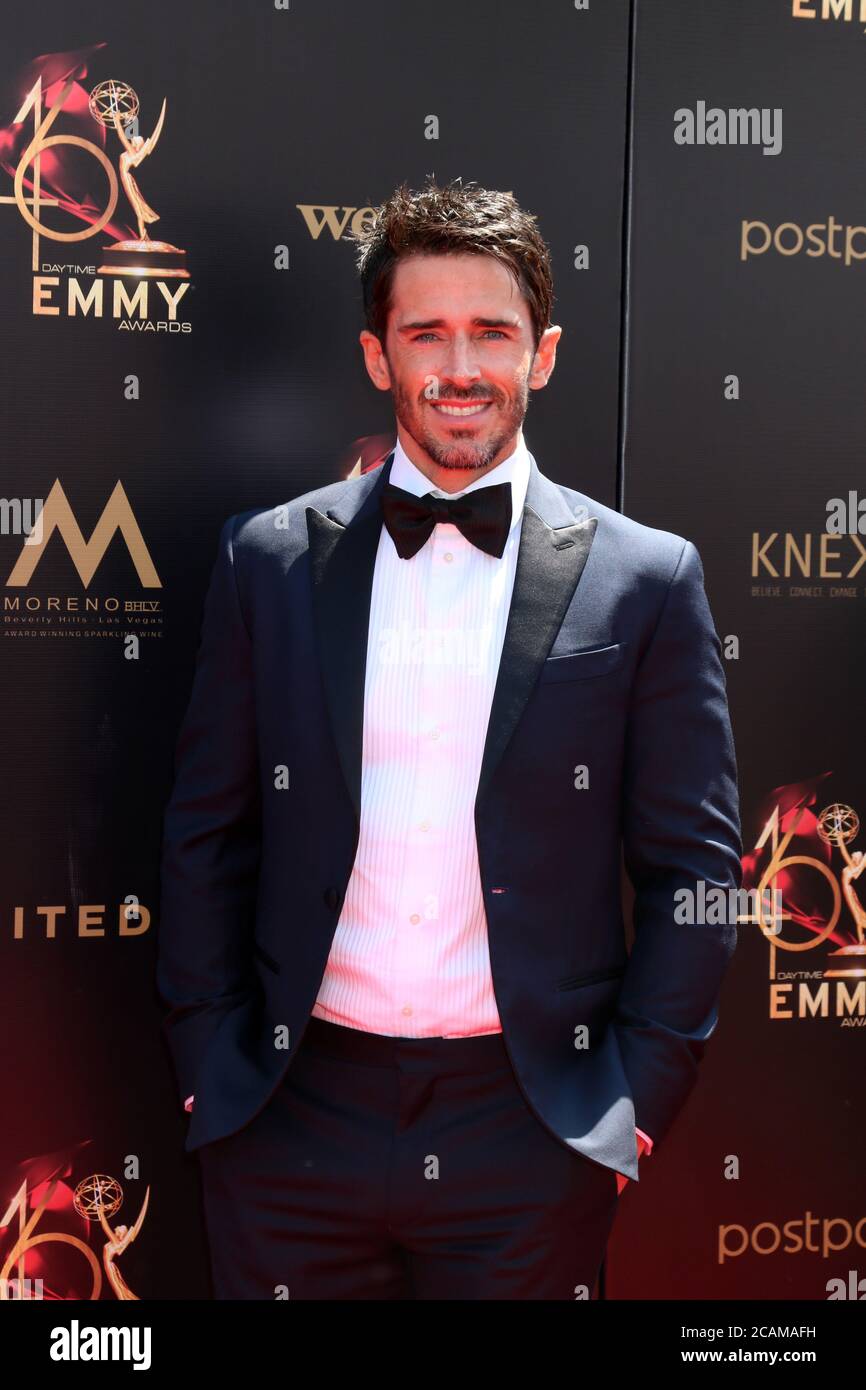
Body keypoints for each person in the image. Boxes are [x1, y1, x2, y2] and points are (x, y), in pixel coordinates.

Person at [156, 177, 742, 1300]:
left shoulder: (646, 579)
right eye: (425, 332)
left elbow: (693, 874)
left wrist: (631, 1102)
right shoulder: (267, 562)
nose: (459, 366)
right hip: (289, 1118)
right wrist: (207, 1066)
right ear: (378, 356)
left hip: (528, 1129)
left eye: (492, 333)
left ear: (544, 352)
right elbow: (204, 832)